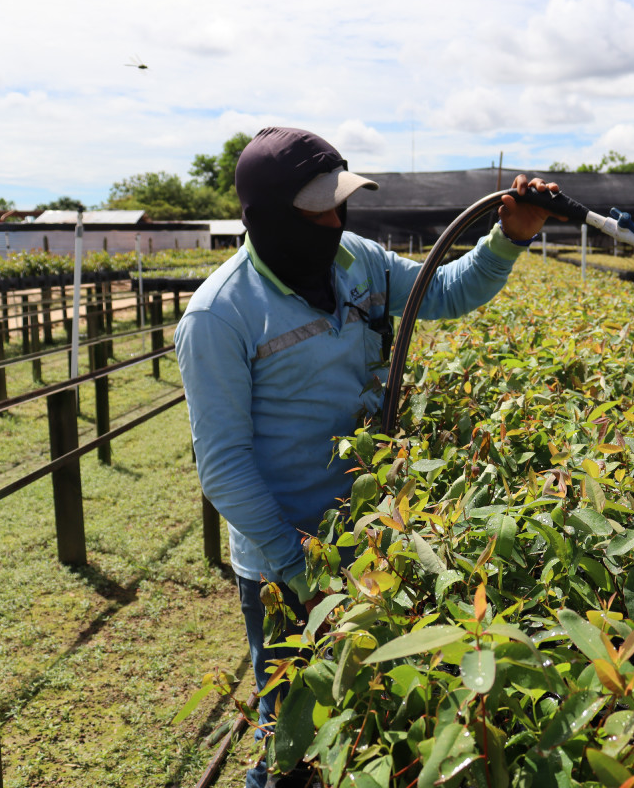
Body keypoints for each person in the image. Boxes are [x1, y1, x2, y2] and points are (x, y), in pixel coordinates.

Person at [173, 126, 561, 787]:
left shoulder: (355, 259)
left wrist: (511, 236)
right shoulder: (219, 315)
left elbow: (444, 293)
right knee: (290, 737)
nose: (334, 220)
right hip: (285, 565)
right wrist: (303, 569)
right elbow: (224, 467)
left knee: (371, 719)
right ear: (269, 218)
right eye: (317, 210)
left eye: (339, 204)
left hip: (375, 538)